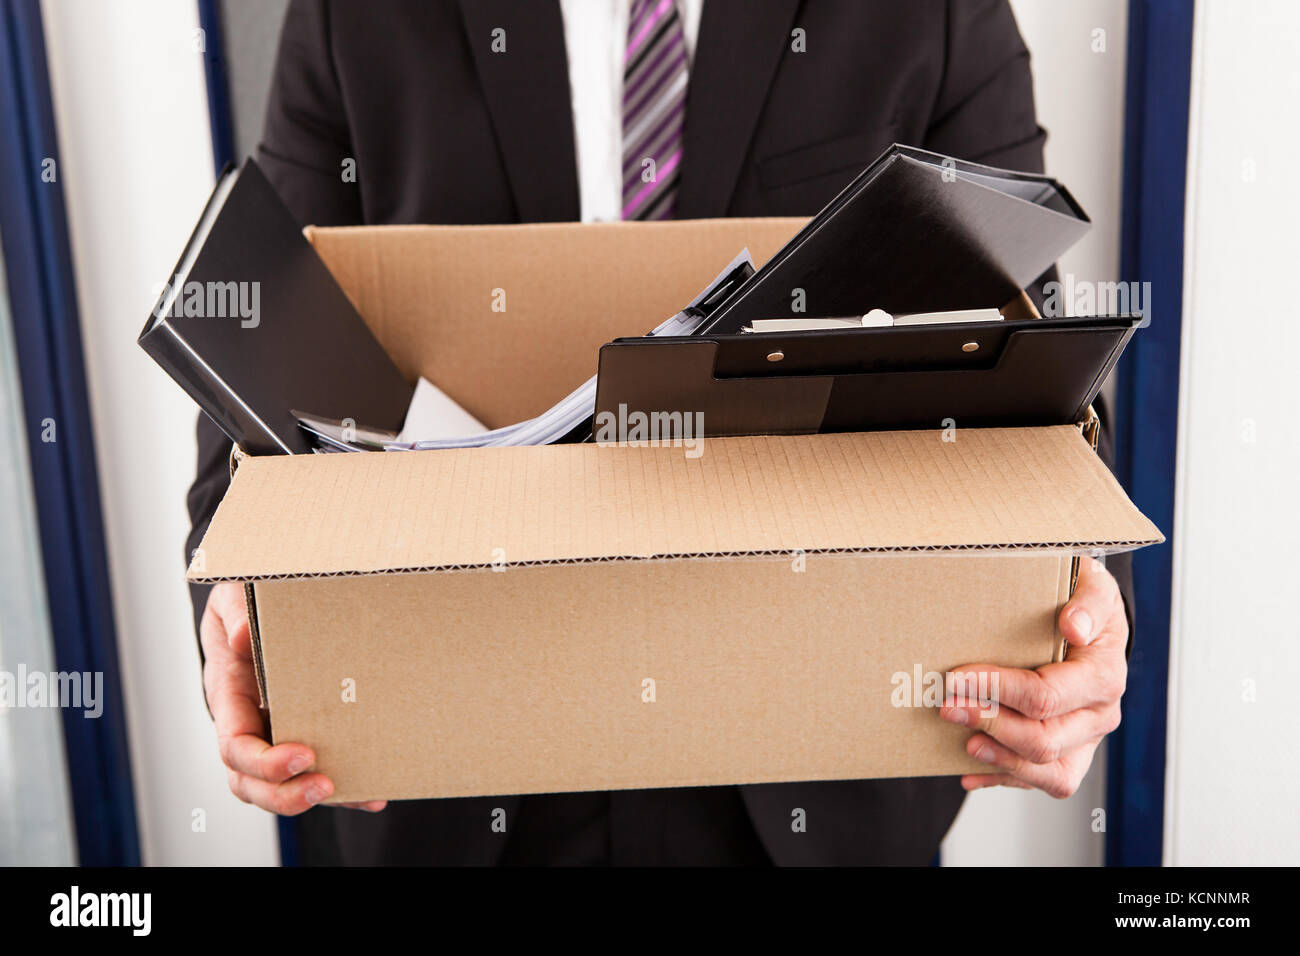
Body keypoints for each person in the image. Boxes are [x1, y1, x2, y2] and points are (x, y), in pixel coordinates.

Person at [187, 0, 1135, 865]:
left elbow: (1033, 356)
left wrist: (1087, 605)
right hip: (465, 748)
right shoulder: (348, 19)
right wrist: (236, 597)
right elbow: (268, 327)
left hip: (812, 762)